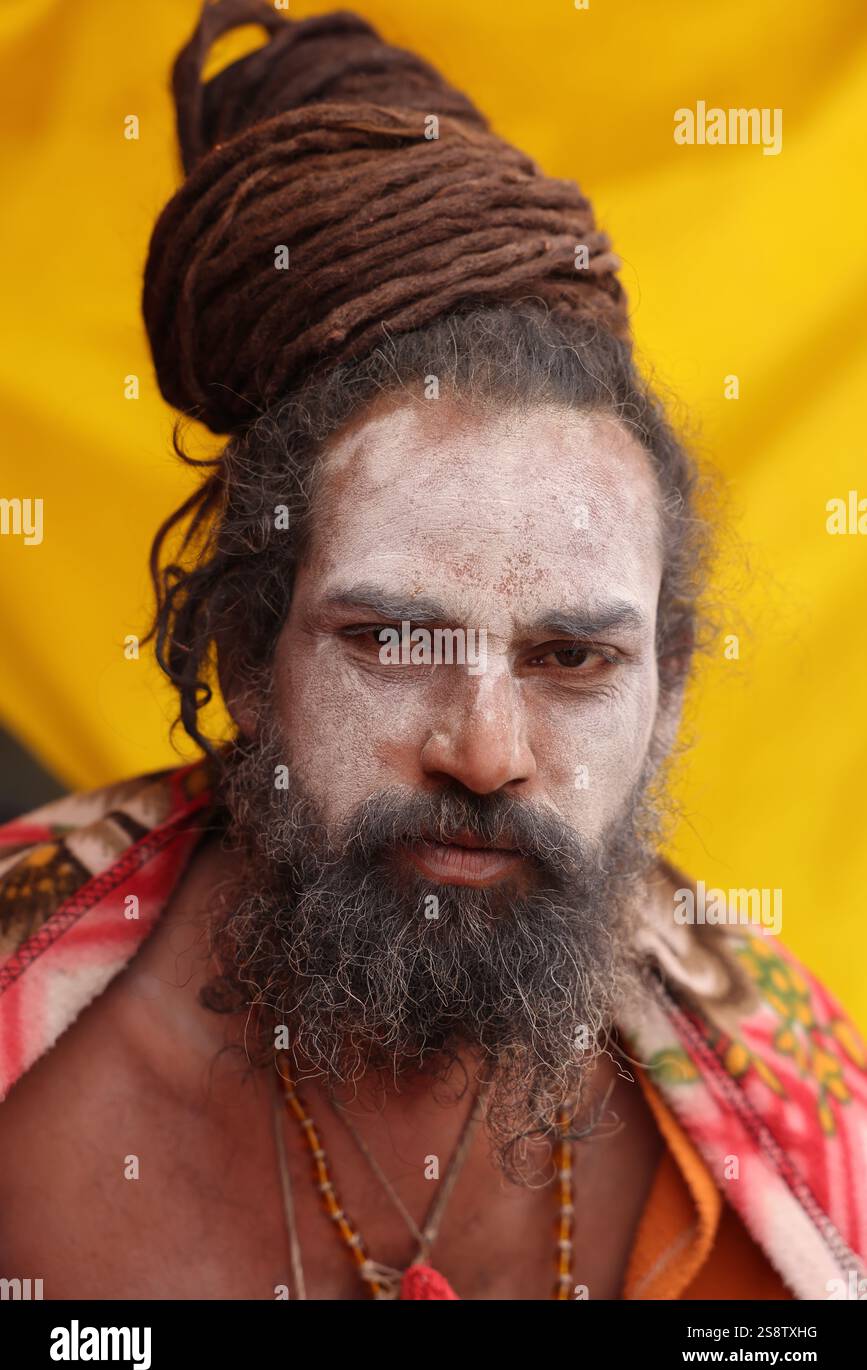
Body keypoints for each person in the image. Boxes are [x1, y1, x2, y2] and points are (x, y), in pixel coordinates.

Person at [0, 0, 865, 1302]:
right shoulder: (37, 1092)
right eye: (394, 637)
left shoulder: (798, 1120)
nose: (486, 752)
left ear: (670, 690)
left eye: (573, 659)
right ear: (242, 651)